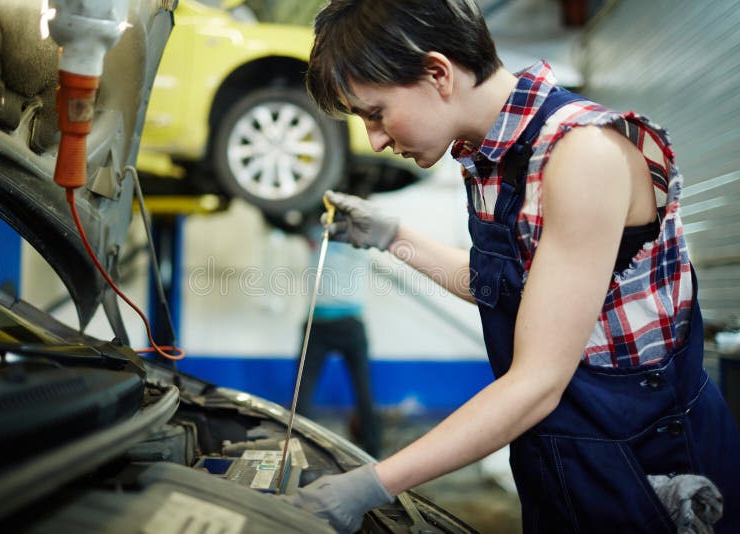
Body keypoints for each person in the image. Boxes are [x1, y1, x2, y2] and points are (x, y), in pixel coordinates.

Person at [282, 1, 740, 533]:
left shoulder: (582, 152)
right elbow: (514, 292)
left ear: (437, 73)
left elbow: (537, 382)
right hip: (562, 457)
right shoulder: (491, 160)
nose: (375, 140)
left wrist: (371, 484)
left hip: (647, 469)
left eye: (375, 113)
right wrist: (392, 237)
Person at [296, 220, 381, 458]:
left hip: (318, 321)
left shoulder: (316, 232)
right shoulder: (363, 236)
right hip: (350, 322)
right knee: (363, 389)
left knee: (303, 391)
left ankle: (296, 447)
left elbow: (284, 220)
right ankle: (374, 450)